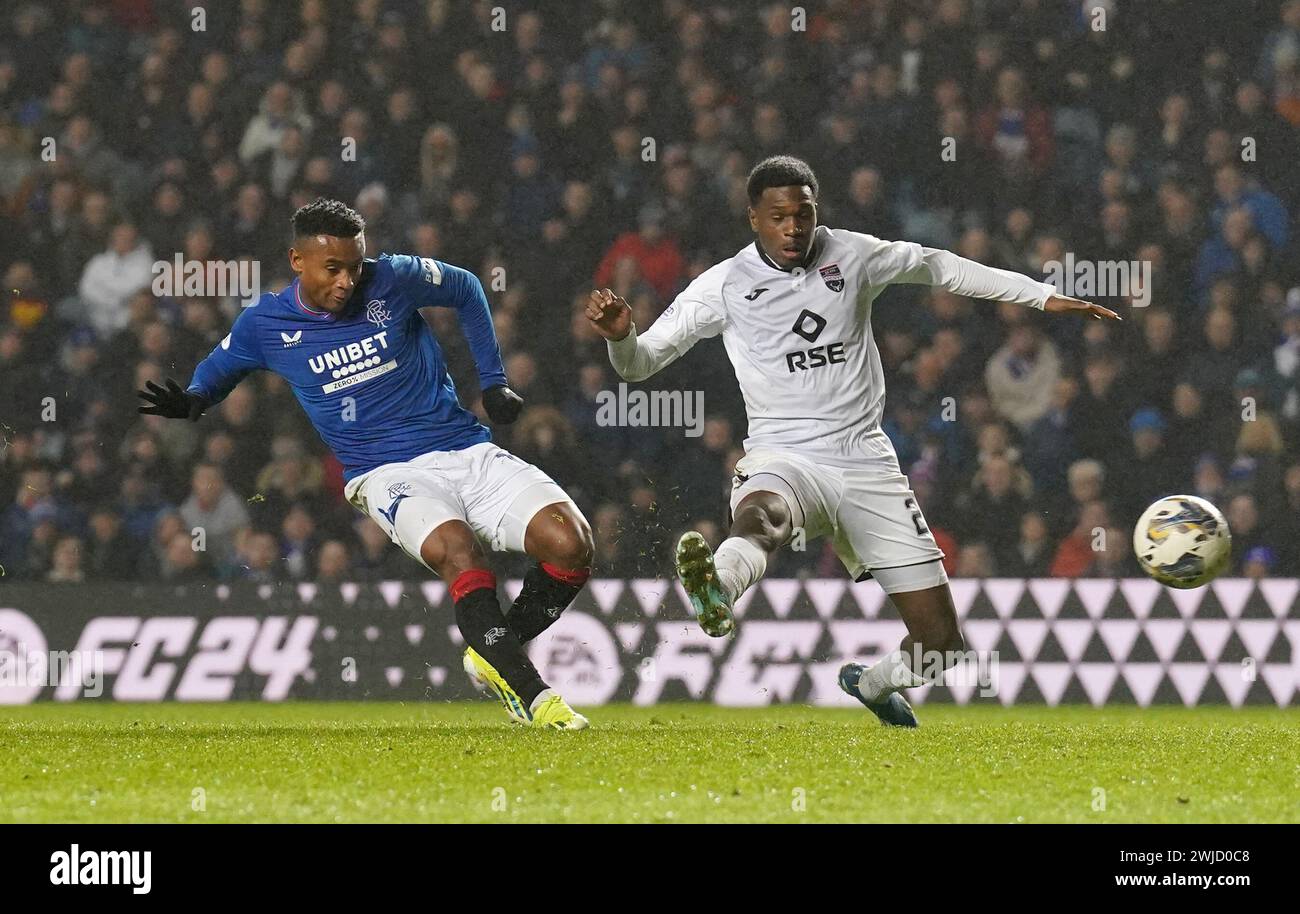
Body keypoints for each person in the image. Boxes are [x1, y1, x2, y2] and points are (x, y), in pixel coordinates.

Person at [586, 156, 1119, 727]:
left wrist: (1040, 296)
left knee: (940, 645)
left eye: (803, 214)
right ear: (753, 220)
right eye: (778, 217)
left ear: (817, 211)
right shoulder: (723, 286)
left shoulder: (854, 255)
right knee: (764, 514)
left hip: (866, 461)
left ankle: (871, 683)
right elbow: (640, 366)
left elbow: (938, 267)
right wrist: (623, 339)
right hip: (785, 455)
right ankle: (718, 585)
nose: (793, 227)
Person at [138, 199, 593, 730]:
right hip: (386, 472)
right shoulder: (265, 323)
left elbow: (467, 287)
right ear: (297, 260)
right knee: (460, 553)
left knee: (573, 546)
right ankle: (535, 698)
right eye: (333, 269)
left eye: (355, 266)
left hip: (465, 447)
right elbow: (214, 374)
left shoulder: (394, 277)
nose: (348, 281)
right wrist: (190, 402)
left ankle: (493, 652)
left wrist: (492, 381)